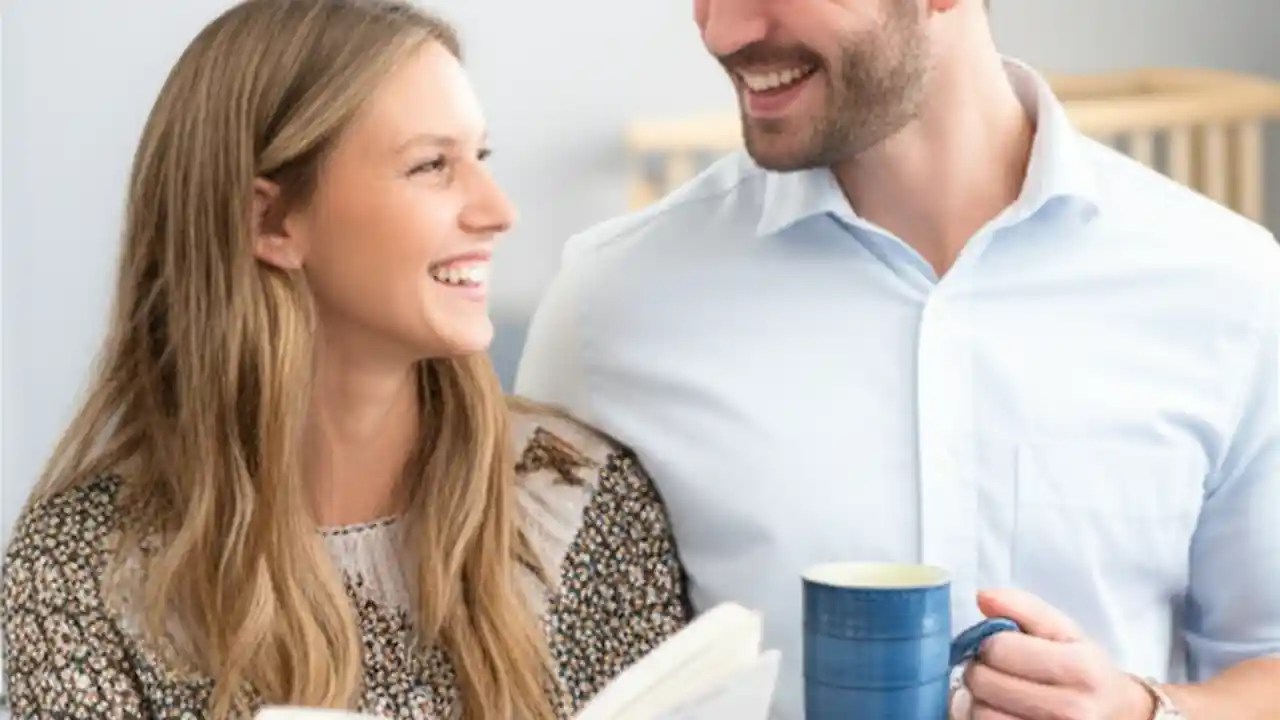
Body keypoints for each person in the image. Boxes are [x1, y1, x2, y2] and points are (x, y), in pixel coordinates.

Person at [516, 0, 1280, 717]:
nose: (721, 28)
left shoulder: (1229, 288)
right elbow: (524, 675)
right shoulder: (609, 307)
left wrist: (1146, 709)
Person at [0, 1, 688, 718]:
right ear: (270, 220)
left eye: (479, 158)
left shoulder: (581, 508)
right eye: (432, 165)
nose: (497, 209)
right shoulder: (80, 569)